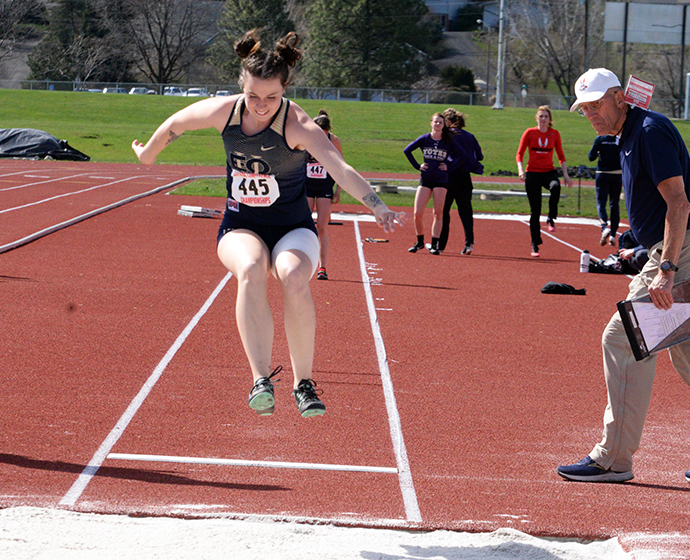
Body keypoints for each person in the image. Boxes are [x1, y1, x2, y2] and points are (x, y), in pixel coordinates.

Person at [131, 30, 405, 418]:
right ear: (241, 86)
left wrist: (377, 206)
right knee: (250, 268)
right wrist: (148, 155)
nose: (261, 106)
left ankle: (303, 383)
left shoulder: (296, 124)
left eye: (271, 98)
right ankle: (261, 379)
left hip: (293, 226)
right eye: (253, 96)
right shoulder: (224, 111)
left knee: (293, 277)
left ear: (285, 90)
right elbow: (177, 122)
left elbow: (339, 168)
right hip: (240, 225)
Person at [557, 68, 690, 487]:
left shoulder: (647, 131)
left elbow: (680, 203)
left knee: (623, 340)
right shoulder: (632, 133)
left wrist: (665, 268)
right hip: (685, 247)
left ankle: (614, 458)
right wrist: (644, 243)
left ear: (618, 97)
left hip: (680, 252)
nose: (591, 115)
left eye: (596, 105)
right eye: (585, 110)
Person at [403, 113, 466, 255]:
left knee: (438, 213)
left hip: (441, 180)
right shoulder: (425, 138)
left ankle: (434, 244)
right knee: (417, 212)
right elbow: (407, 150)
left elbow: (462, 155)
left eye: (440, 123)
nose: (438, 124)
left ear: (444, 125)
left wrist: (449, 167)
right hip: (426, 179)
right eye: (436, 122)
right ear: (431, 123)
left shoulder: (447, 141)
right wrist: (417, 166)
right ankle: (419, 242)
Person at [516, 105, 572, 257]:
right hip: (532, 174)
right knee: (535, 211)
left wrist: (566, 175)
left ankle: (551, 218)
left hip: (548, 172)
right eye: (541, 116)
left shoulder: (554, 134)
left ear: (549, 119)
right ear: (536, 118)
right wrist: (521, 170)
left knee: (555, 186)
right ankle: (535, 244)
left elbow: (561, 156)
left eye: (546, 117)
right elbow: (519, 154)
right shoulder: (530, 132)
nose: (543, 119)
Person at [438, 108, 483, 256]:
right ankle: (469, 243)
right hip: (465, 178)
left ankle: (441, 244)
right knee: (466, 211)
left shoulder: (446, 136)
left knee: (444, 211)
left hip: (449, 177)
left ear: (448, 122)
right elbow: (480, 156)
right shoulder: (470, 136)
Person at [304, 109, 342, 280]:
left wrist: (339, 189)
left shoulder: (334, 141)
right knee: (303, 226)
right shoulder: (306, 138)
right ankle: (303, 263)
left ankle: (323, 266)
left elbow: (341, 166)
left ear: (327, 130)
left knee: (322, 227)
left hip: (325, 187)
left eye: (323, 132)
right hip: (307, 186)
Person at [588, 134, 622, 246]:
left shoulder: (600, 139)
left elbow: (591, 157)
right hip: (617, 173)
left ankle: (604, 226)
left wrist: (598, 153)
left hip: (602, 173)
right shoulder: (618, 139)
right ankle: (613, 234)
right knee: (614, 204)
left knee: (601, 202)